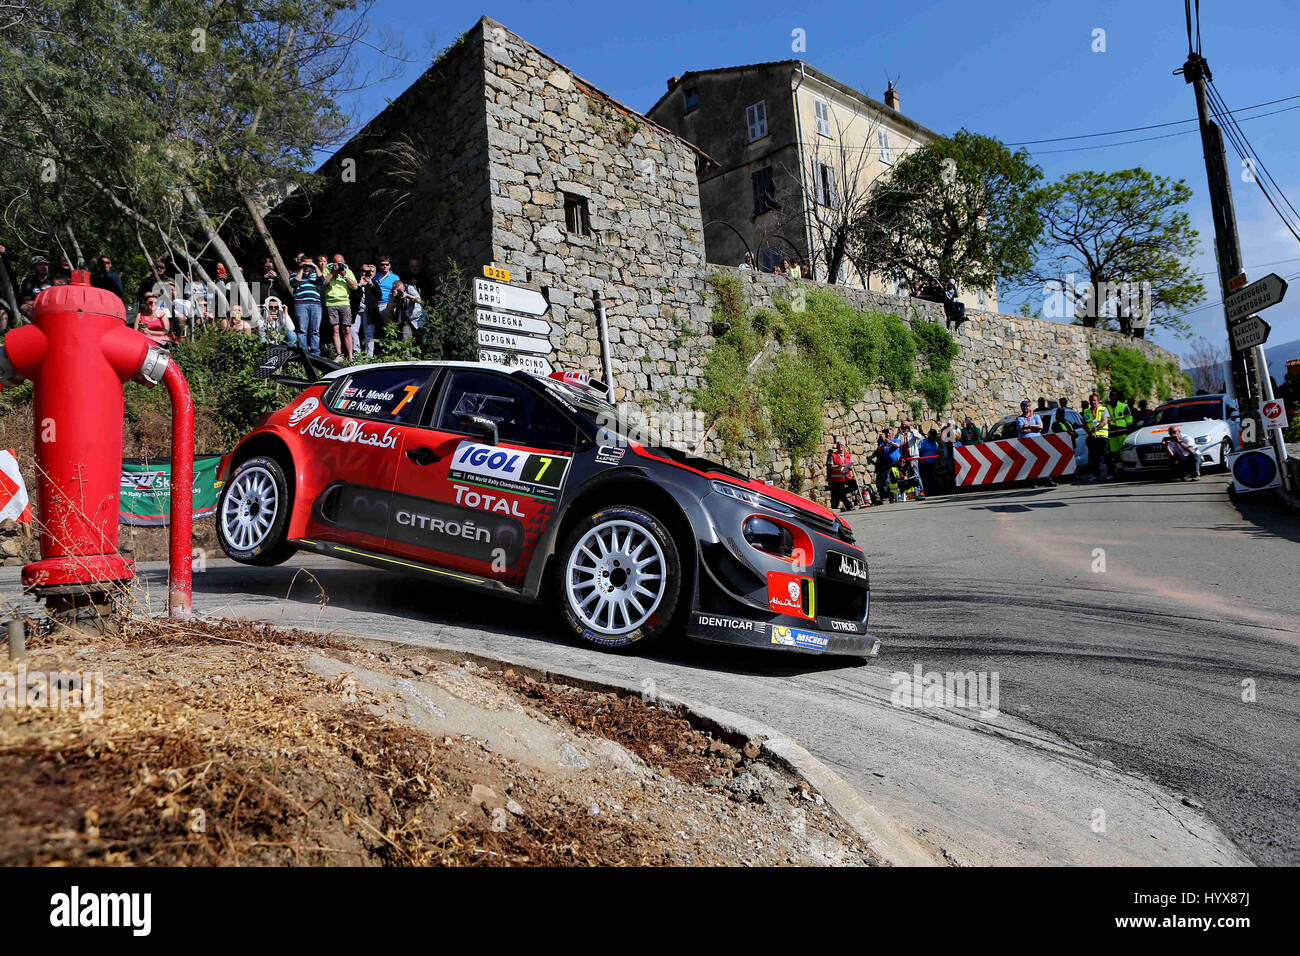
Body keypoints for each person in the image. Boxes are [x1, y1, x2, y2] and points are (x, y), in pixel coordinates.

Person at [323, 252, 358, 359]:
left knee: (346, 329)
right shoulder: (327, 270)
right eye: (336, 263)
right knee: (335, 329)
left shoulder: (348, 271)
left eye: (340, 263)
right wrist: (333, 273)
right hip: (331, 303)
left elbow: (355, 287)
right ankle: (338, 354)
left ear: (344, 263)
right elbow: (323, 283)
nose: (338, 265)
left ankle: (350, 356)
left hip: (344, 303)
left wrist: (344, 275)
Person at [290, 253, 324, 355]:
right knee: (302, 330)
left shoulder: (315, 273)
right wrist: (302, 269)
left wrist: (315, 267)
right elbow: (294, 284)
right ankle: (303, 354)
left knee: (315, 331)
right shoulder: (295, 273)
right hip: (301, 304)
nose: (308, 266)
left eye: (310, 264)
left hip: (316, 304)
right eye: (306, 264)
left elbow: (322, 281)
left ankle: (315, 354)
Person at [1081, 392, 1110, 482]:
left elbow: (1104, 421)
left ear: (1098, 401)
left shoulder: (1103, 409)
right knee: (1093, 457)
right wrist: (1090, 432)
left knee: (1106, 455)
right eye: (1091, 400)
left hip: (1102, 436)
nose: (1093, 402)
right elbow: (1084, 424)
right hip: (1091, 437)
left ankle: (1110, 473)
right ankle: (1096, 475)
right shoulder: (1086, 411)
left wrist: (1095, 430)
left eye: (1094, 400)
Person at [894, 418, 926, 499]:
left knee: (916, 475)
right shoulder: (899, 435)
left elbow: (919, 437)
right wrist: (898, 432)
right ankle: (911, 494)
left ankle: (921, 492)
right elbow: (896, 442)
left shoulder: (912, 433)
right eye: (903, 426)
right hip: (904, 458)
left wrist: (911, 429)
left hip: (913, 457)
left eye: (906, 426)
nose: (904, 428)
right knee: (906, 476)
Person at [1106, 388, 1133, 479]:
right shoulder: (1106, 407)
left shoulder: (1123, 406)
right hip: (1112, 435)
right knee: (1115, 454)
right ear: (1109, 397)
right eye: (1112, 395)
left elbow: (1129, 419)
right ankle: (1120, 469)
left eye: (1115, 395)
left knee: (1125, 452)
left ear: (1117, 397)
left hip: (1123, 433)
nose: (1113, 397)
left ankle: (1127, 469)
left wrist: (1130, 430)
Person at [827, 439, 857, 511]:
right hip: (837, 479)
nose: (840, 447)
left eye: (841, 445)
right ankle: (849, 506)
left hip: (847, 476)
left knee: (854, 486)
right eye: (838, 445)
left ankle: (844, 495)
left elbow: (849, 463)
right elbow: (830, 466)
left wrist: (851, 467)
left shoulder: (847, 454)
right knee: (841, 494)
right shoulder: (833, 455)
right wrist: (838, 466)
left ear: (844, 446)